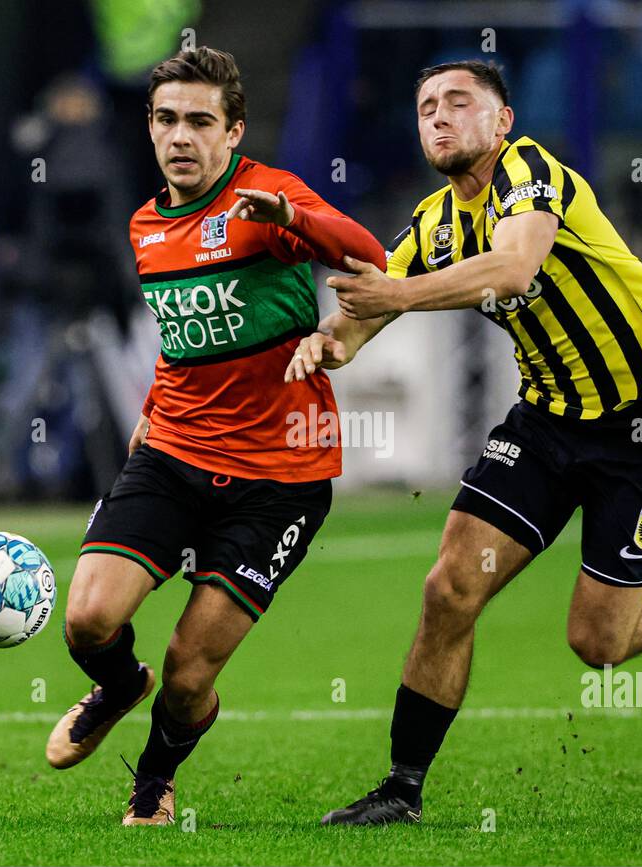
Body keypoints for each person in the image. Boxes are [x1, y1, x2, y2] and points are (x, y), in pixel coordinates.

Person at [284, 60, 642, 826]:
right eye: (424, 109)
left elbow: (513, 271)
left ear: (502, 120)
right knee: (449, 588)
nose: (439, 118)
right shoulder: (433, 222)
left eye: (458, 102)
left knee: (599, 644)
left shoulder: (531, 171)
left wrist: (396, 296)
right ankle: (402, 789)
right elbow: (364, 314)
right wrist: (328, 342)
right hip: (546, 427)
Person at [44, 47, 386, 826]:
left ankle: (156, 780)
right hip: (173, 453)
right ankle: (119, 685)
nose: (181, 137)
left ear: (233, 132)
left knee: (190, 671)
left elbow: (372, 258)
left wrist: (293, 220)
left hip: (279, 478)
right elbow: (182, 338)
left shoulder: (267, 198)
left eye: (200, 121)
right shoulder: (145, 226)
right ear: (150, 129)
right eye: (167, 120)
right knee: (88, 620)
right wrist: (149, 415)